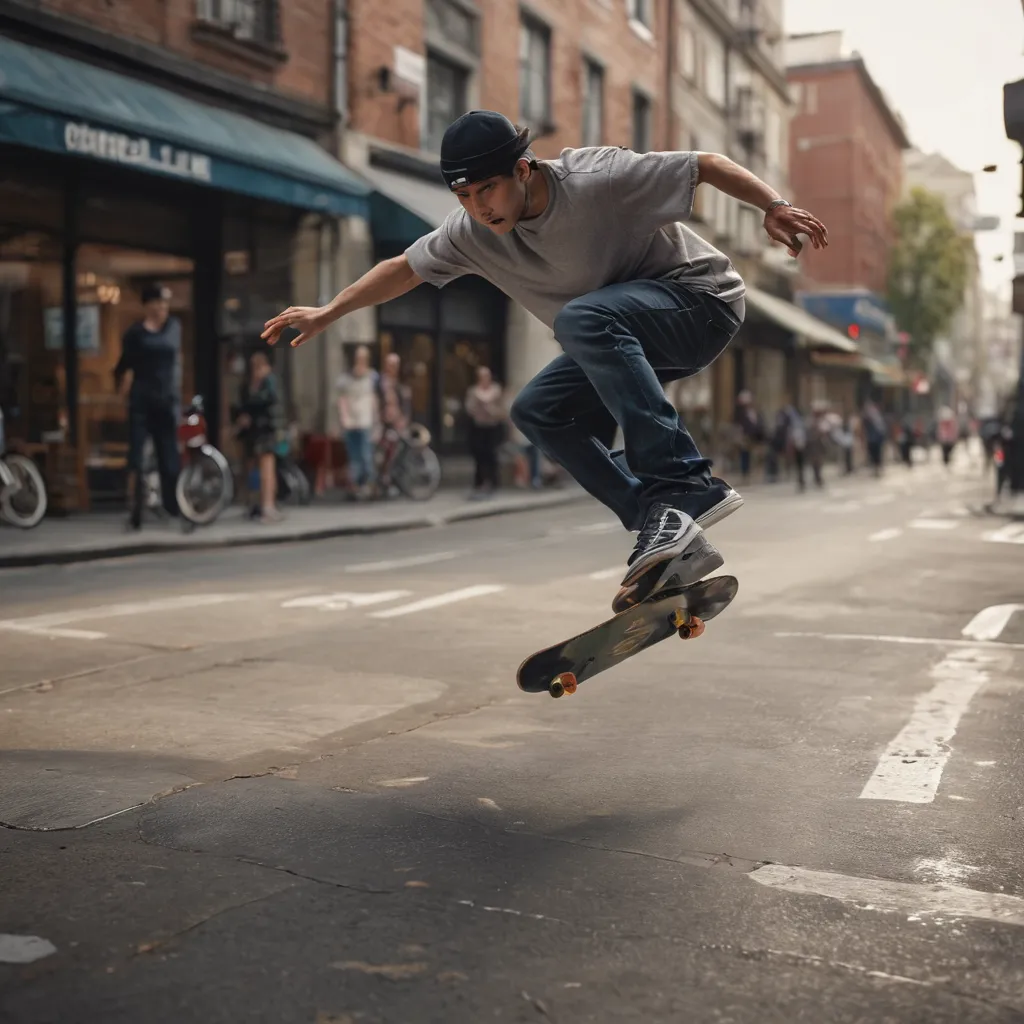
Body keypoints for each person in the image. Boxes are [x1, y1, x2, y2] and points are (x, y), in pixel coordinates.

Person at [261, 110, 828, 612]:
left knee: (580, 319)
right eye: (464, 197)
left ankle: (684, 486)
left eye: (488, 190)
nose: (479, 209)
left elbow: (704, 163)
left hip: (700, 303)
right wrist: (329, 311)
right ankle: (663, 527)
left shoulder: (596, 178)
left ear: (524, 169)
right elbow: (404, 267)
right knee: (537, 410)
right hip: (625, 333)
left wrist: (773, 206)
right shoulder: (469, 234)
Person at [114, 282, 182, 531]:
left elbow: (170, 350)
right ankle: (133, 507)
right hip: (141, 401)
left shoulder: (173, 328)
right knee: (136, 456)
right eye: (157, 303)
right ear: (147, 305)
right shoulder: (134, 334)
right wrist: (122, 388)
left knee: (169, 458)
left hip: (165, 402)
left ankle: (171, 505)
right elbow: (124, 365)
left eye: (165, 304)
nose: (162, 308)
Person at [234, 350, 286, 523]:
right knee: (252, 469)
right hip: (253, 432)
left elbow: (268, 400)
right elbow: (241, 403)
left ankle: (268, 506)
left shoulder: (269, 381)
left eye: (259, 367)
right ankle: (254, 503)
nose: (257, 371)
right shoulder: (248, 384)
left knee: (267, 469)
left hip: (267, 430)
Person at [336, 345, 379, 500]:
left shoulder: (372, 376)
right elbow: (342, 399)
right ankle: (355, 487)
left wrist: (376, 418)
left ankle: (368, 486)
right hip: (350, 422)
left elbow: (373, 398)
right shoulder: (346, 377)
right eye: (359, 357)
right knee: (354, 457)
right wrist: (343, 418)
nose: (361, 360)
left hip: (365, 420)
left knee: (366, 455)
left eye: (364, 357)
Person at [465, 365, 507, 499]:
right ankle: (479, 481)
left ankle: (493, 481)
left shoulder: (496, 390)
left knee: (492, 454)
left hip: (492, 426)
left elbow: (503, 410)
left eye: (486, 376)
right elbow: (469, 408)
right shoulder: (473, 391)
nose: (484, 379)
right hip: (478, 426)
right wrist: (478, 407)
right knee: (479, 454)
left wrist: (491, 410)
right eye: (481, 376)